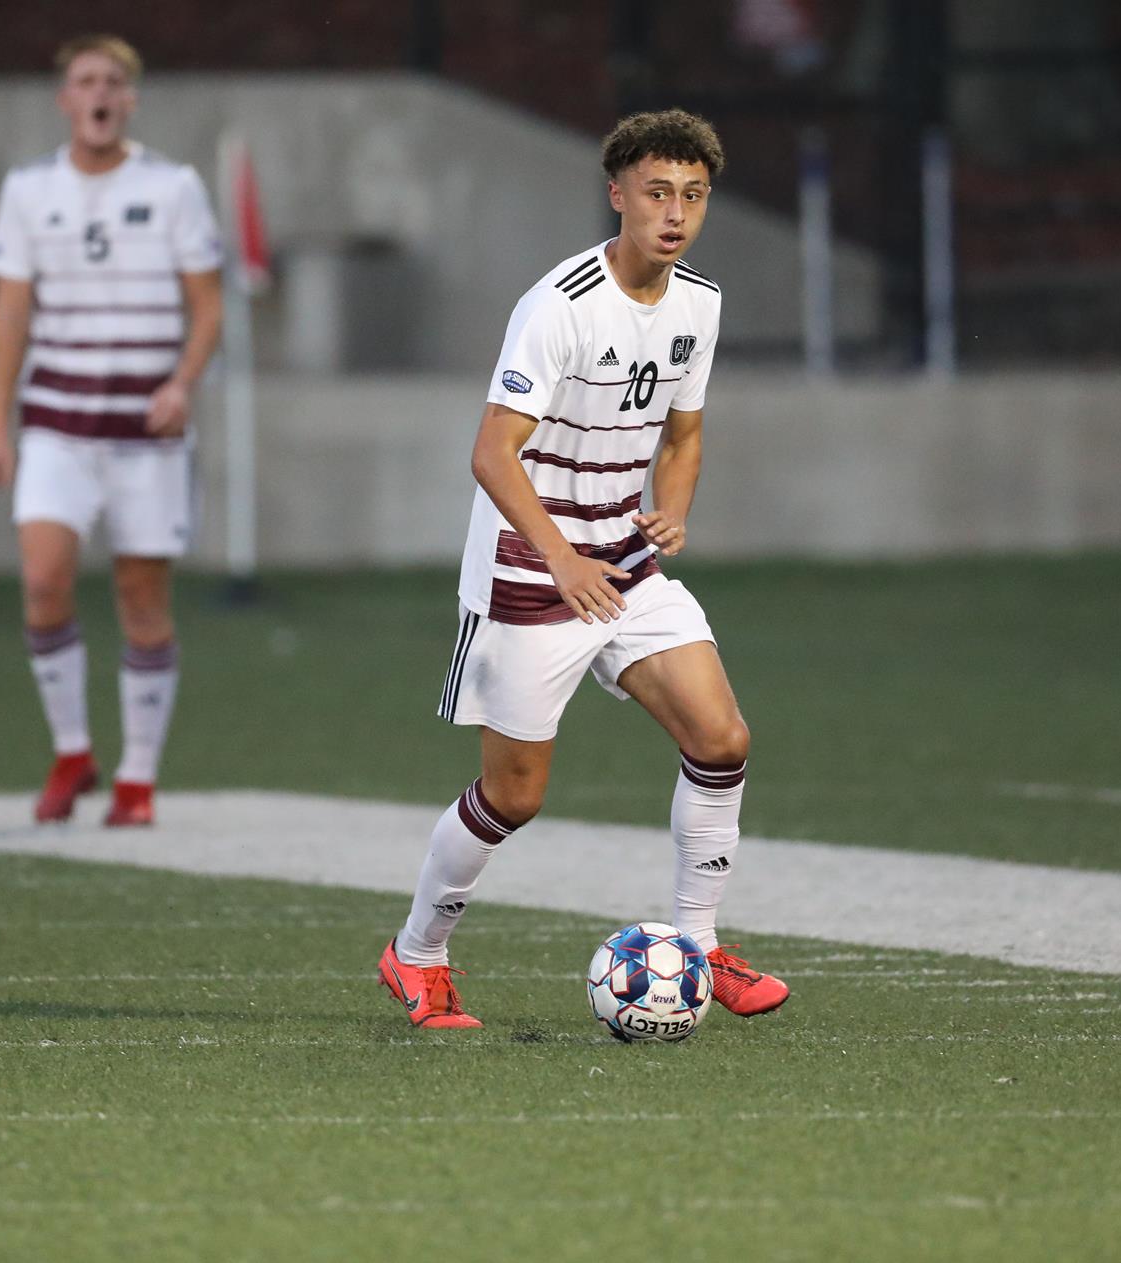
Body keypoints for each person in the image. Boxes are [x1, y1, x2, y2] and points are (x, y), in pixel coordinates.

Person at [379, 110, 789, 1029]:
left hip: (627, 563)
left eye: (692, 196)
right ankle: (416, 953)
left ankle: (699, 944)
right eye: (656, 193)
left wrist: (674, 506)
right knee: (514, 795)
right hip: (533, 566)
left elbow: (683, 433)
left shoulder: (700, 304)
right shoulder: (561, 303)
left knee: (722, 739)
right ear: (617, 195)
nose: (674, 213)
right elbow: (492, 452)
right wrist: (561, 559)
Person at [0, 34, 224, 827]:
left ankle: (138, 778)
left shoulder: (174, 185)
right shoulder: (28, 189)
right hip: (56, 424)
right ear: (65, 100)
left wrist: (181, 383)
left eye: (113, 81)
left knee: (141, 595)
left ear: (130, 99)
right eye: (85, 82)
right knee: (44, 580)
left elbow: (209, 306)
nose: (100, 94)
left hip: (143, 431)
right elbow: (10, 312)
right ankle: (73, 750)